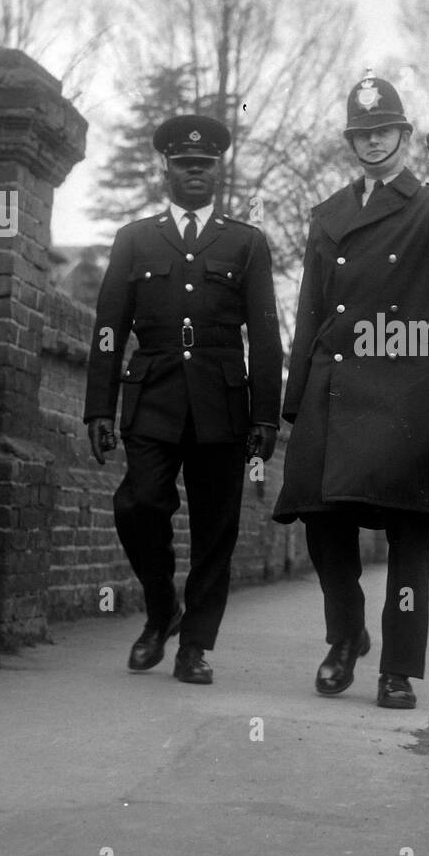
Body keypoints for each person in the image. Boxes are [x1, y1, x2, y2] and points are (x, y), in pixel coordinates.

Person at [273, 72, 429, 709]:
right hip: (335, 385)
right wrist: (294, 398)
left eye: (384, 131)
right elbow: (309, 309)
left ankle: (397, 668)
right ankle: (346, 636)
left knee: (408, 535)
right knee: (319, 520)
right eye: (361, 134)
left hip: (409, 389)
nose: (373, 143)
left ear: (402, 134)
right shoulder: (328, 216)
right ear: (352, 141)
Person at [85, 114, 282, 683]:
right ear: (165, 169)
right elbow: (108, 329)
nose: (195, 173)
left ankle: (195, 646)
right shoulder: (135, 239)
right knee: (137, 504)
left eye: (206, 165)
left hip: (223, 403)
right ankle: (160, 609)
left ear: (217, 170)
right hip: (152, 396)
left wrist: (265, 414)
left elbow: (266, 335)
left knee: (216, 528)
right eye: (184, 165)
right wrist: (99, 407)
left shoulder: (245, 242)